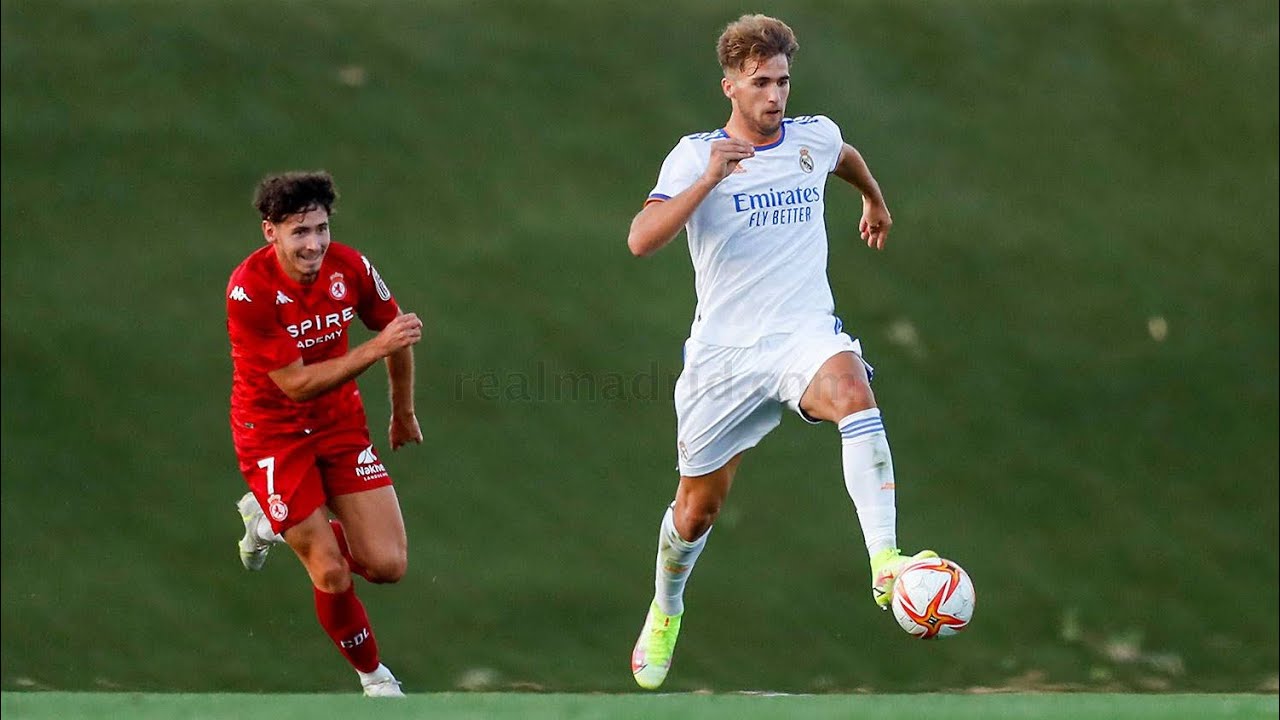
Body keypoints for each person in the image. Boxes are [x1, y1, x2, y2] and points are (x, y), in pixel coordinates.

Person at [626, 15, 935, 689]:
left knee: (853, 392)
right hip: (725, 356)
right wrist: (708, 179)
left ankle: (885, 563)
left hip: (803, 335)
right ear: (730, 86)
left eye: (783, 81)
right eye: (761, 82)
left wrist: (874, 203)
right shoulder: (692, 155)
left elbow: (844, 154)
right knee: (696, 509)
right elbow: (641, 239)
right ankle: (667, 607)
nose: (775, 95)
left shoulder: (812, 138)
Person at [225, 171, 424, 697]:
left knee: (387, 565)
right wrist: (371, 349)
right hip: (271, 433)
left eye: (321, 228)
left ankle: (278, 520)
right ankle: (375, 679)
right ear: (271, 232)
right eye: (299, 232)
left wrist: (402, 413)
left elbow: (397, 333)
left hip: (340, 425)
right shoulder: (249, 290)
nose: (313, 243)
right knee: (331, 573)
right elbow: (295, 385)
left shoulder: (351, 265)